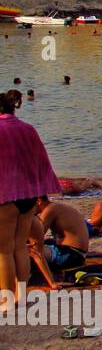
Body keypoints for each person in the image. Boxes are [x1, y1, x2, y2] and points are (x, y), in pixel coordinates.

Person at [0, 90, 61, 312]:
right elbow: (41, 160)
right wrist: (43, 186)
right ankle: (21, 296)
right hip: (28, 197)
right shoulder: (28, 129)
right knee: (19, 247)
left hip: (4, 197)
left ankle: (6, 302)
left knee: (3, 251)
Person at [30, 195, 90, 274]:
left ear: (39, 201)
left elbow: (36, 236)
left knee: (27, 253)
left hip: (72, 255)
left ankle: (20, 283)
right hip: (75, 252)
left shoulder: (50, 209)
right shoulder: (56, 207)